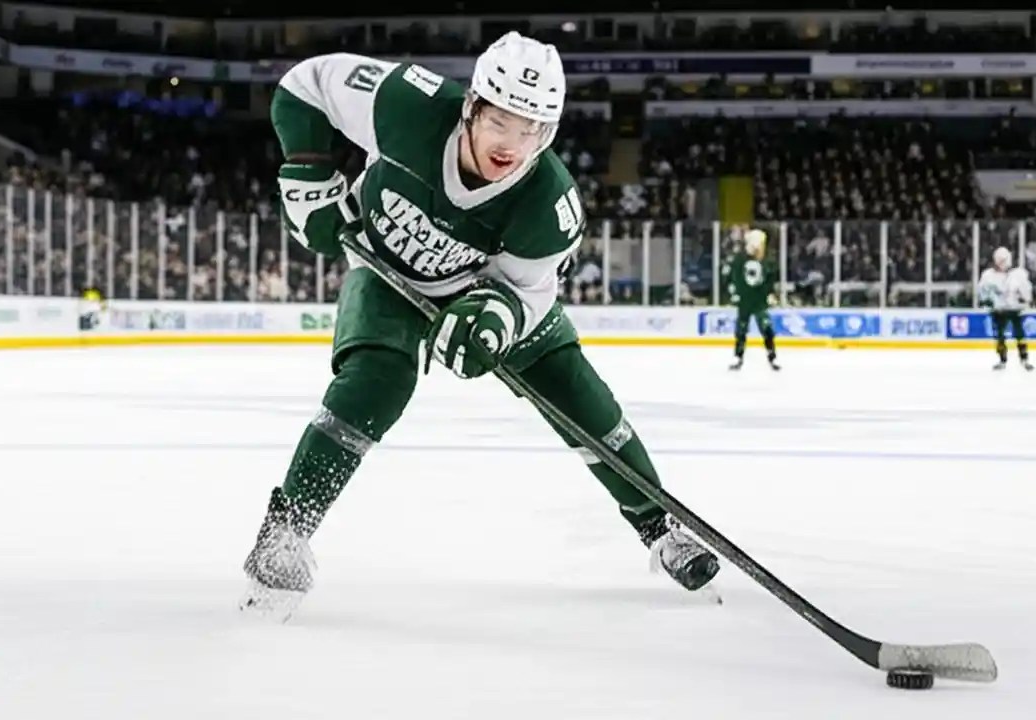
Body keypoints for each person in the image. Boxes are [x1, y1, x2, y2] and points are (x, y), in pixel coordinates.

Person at [241, 33, 720, 613]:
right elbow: (305, 86)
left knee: (580, 399)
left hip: (482, 288)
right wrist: (308, 171)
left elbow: (528, 294)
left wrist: (495, 317)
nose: (514, 145)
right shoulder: (405, 104)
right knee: (374, 384)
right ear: (471, 106)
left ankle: (659, 527)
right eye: (502, 122)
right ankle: (286, 531)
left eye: (533, 131)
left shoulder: (549, 202)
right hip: (387, 266)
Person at [725, 229, 780, 371]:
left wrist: (771, 294)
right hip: (745, 300)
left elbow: (770, 280)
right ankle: (738, 356)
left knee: (766, 328)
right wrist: (734, 292)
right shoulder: (740, 259)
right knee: (741, 329)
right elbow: (733, 277)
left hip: (760, 301)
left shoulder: (767, 260)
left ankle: (771, 355)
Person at [978, 246, 1034, 371]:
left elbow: (1027, 292)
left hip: (1015, 309)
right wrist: (987, 301)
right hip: (999, 310)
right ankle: (1002, 359)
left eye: (1004, 260)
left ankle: (1024, 358)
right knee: (999, 335)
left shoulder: (1018, 274)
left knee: (1019, 334)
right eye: (999, 260)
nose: (1002, 263)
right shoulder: (988, 275)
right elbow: (982, 292)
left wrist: (1024, 299)